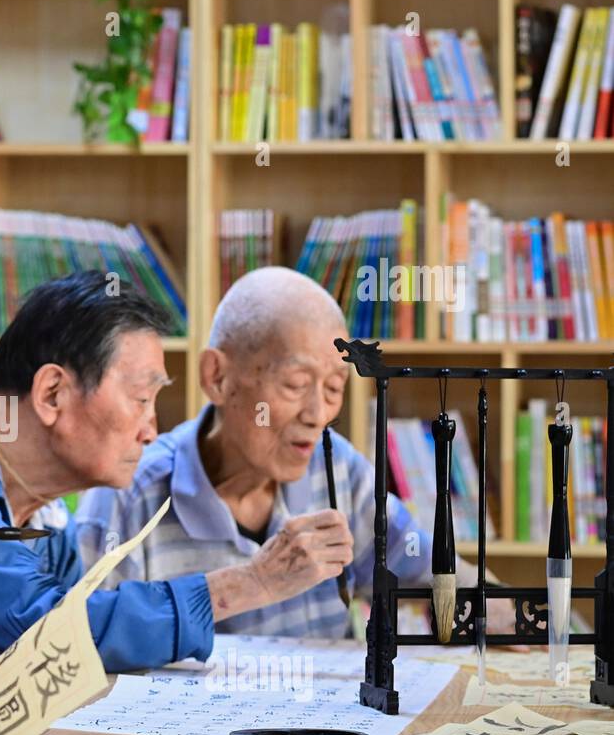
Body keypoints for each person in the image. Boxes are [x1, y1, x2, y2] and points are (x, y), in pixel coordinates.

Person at [0, 271, 352, 673]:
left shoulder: (48, 517)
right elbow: (40, 630)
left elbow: (75, 646)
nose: (151, 430)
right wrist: (252, 583)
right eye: (140, 399)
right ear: (52, 394)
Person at [78, 265, 512, 638]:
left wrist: (484, 611)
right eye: (295, 385)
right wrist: (249, 584)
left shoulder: (338, 470)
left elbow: (439, 574)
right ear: (217, 377)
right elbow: (86, 643)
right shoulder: (128, 496)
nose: (319, 414)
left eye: (334, 388)